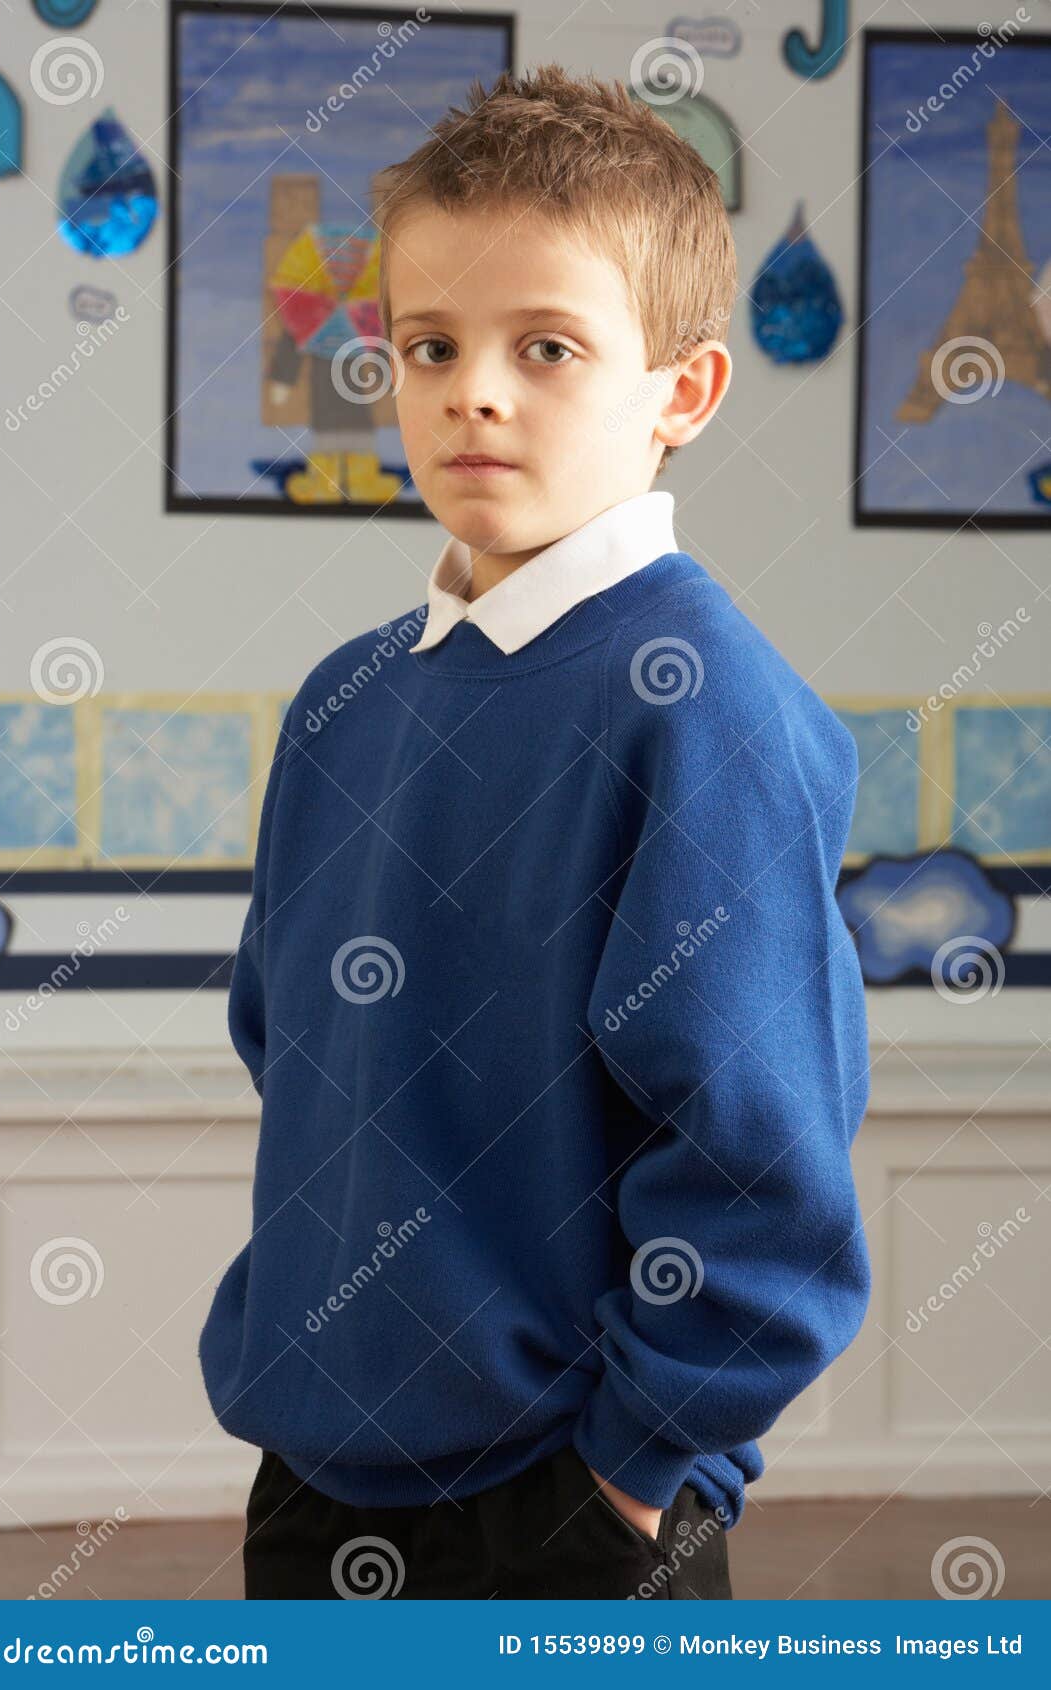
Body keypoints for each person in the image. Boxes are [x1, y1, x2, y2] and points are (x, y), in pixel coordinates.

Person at [199, 65, 872, 1601]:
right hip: (313, 1477)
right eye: (429, 344)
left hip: (572, 1506)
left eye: (547, 347)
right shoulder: (343, 703)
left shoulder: (705, 709)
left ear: (680, 393)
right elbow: (292, 1048)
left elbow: (760, 1162)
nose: (472, 391)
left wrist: (637, 1475)